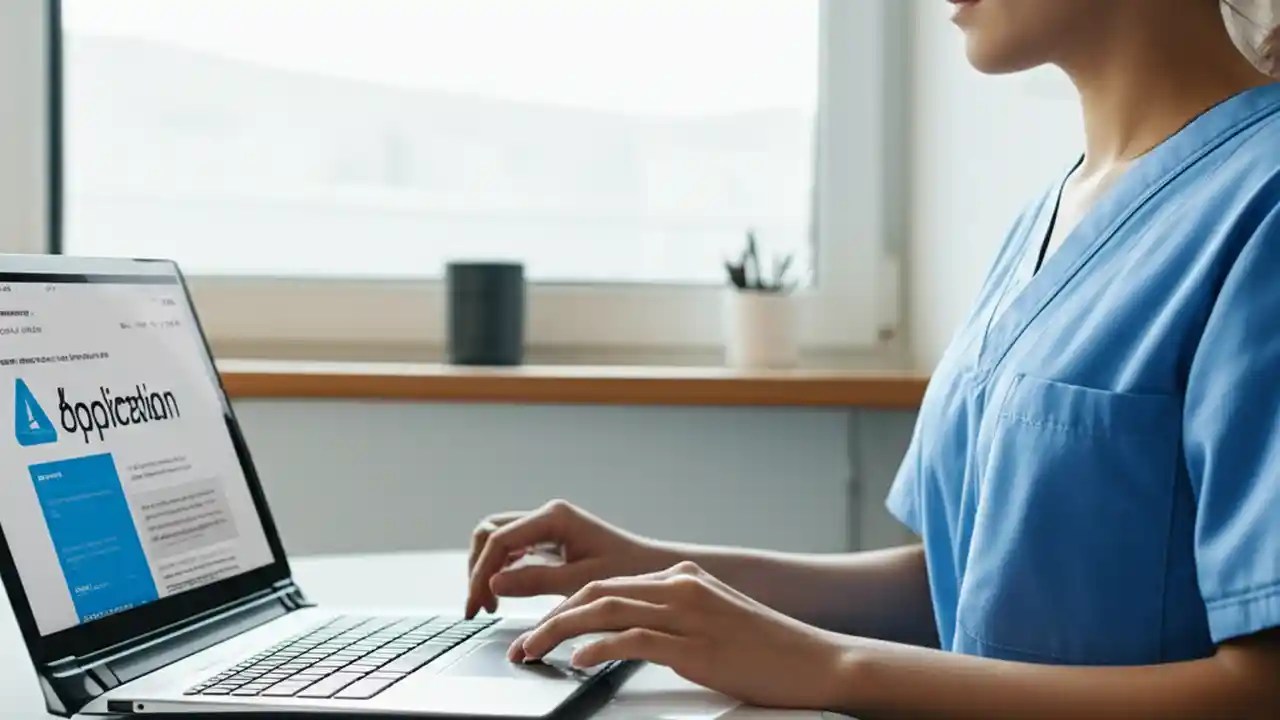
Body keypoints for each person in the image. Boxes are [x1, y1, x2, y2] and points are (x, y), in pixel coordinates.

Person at [465, 1, 1280, 716]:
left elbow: (1261, 690)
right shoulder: (1052, 213)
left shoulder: (1261, 208)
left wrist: (826, 666)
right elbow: (965, 582)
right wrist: (660, 574)